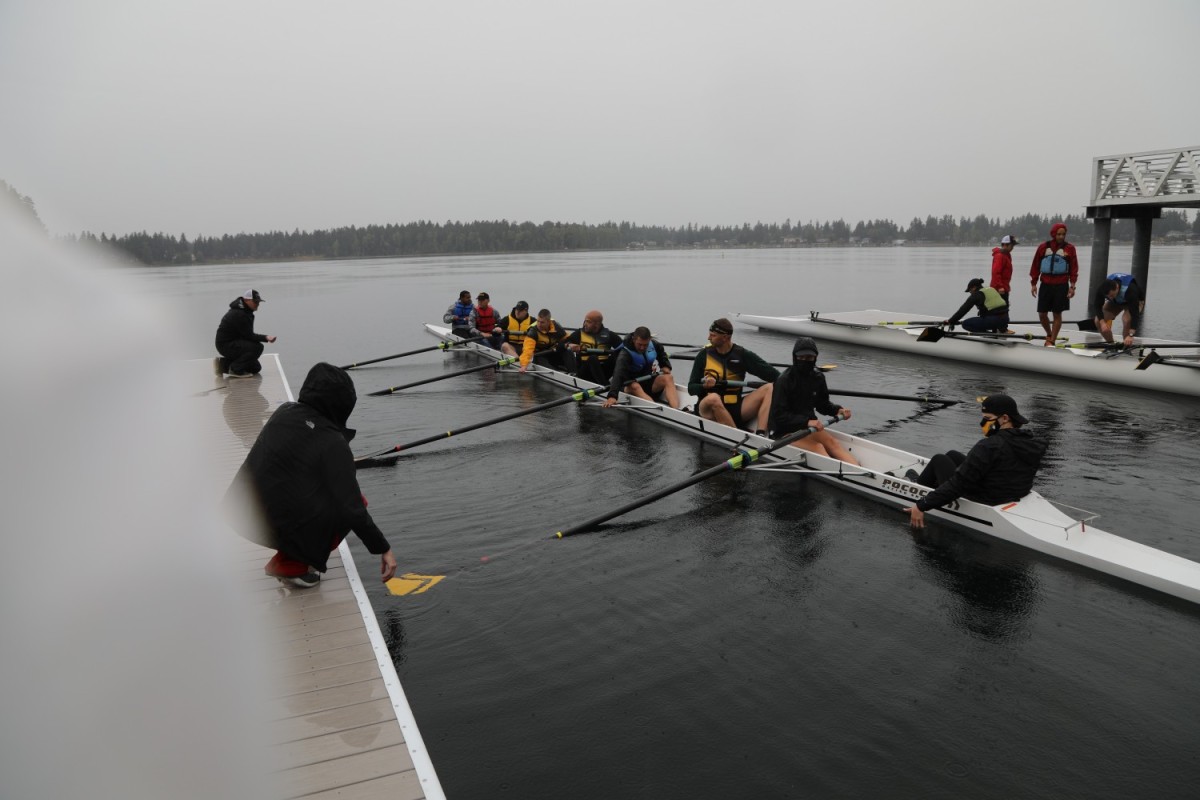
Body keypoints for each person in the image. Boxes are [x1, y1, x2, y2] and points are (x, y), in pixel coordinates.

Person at [223, 362, 398, 587]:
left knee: (306, 493)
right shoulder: (332, 442)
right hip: (273, 519)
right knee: (354, 503)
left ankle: (288, 555)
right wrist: (383, 549)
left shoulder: (284, 411)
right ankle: (292, 566)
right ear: (342, 404)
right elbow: (353, 508)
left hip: (243, 511)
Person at [906, 394, 1047, 529]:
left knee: (939, 459)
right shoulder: (1031, 442)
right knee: (953, 455)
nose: (982, 423)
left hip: (985, 498)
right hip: (1011, 493)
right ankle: (933, 485)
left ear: (1004, 418)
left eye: (987, 418)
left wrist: (922, 505)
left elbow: (958, 485)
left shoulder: (990, 445)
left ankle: (916, 489)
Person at [767, 337, 858, 464]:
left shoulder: (818, 377)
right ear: (795, 357)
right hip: (783, 431)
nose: (805, 361)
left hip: (807, 426)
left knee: (833, 443)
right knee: (818, 447)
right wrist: (807, 421)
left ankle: (859, 471)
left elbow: (823, 405)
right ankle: (842, 474)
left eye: (809, 358)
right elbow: (778, 416)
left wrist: (838, 410)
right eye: (801, 358)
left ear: (815, 358)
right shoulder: (784, 380)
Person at [687, 317, 779, 434]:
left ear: (725, 337)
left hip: (735, 407)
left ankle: (760, 433)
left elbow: (774, 375)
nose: (708, 338)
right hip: (708, 409)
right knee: (714, 398)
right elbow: (691, 388)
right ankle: (737, 437)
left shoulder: (742, 355)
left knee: (770, 387)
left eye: (713, 335)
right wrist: (704, 387)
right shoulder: (703, 355)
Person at [603, 326, 680, 409]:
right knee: (635, 386)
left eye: (645, 345)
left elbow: (661, 354)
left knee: (668, 378)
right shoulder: (625, 354)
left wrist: (665, 365)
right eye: (639, 344)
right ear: (634, 339)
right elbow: (618, 373)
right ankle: (658, 409)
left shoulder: (653, 344)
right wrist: (612, 396)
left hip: (647, 382)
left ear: (649, 340)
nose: (642, 348)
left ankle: (676, 410)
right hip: (628, 385)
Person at [1029, 222, 1079, 346]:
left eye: (1063, 234)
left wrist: (1072, 287)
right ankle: (1049, 334)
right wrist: (1033, 284)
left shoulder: (1070, 249)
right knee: (1042, 314)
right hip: (1045, 284)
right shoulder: (1043, 247)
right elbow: (1035, 266)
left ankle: (1052, 340)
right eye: (1059, 234)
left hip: (1061, 285)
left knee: (1057, 313)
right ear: (1053, 234)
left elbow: (1074, 269)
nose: (1061, 236)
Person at [214, 289, 276, 378]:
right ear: (247, 300)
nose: (258, 304)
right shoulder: (240, 314)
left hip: (232, 343)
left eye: (258, 302)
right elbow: (249, 336)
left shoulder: (245, 311)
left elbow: (247, 335)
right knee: (258, 347)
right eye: (255, 302)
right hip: (225, 345)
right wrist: (266, 337)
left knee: (255, 368)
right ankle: (235, 369)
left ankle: (223, 365)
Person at [564, 309, 623, 384]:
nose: (585, 324)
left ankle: (620, 382)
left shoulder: (609, 335)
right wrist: (569, 345)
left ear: (597, 324)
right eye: (585, 321)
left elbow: (624, 346)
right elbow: (561, 344)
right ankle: (605, 386)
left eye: (588, 322)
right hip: (585, 372)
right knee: (593, 358)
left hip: (604, 372)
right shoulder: (579, 334)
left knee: (618, 354)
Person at [1092, 273, 1143, 347]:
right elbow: (1097, 306)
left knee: (1126, 320)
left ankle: (1126, 346)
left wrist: (1131, 335)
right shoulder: (1102, 288)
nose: (1110, 298)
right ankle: (1111, 344)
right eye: (1108, 297)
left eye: (1112, 295)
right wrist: (1102, 323)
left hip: (1135, 302)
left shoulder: (1130, 290)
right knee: (1098, 320)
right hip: (1117, 302)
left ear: (1117, 287)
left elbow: (1135, 315)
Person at [945, 277, 1010, 333]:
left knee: (965, 324)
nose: (970, 293)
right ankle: (997, 331)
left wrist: (951, 321)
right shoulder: (991, 289)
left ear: (974, 288)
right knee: (990, 315)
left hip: (994, 320)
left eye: (970, 290)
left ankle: (989, 336)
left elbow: (963, 310)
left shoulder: (976, 295)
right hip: (1005, 319)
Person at [519, 308, 569, 372]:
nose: (539, 324)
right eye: (538, 321)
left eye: (542, 322)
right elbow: (527, 350)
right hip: (538, 355)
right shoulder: (533, 331)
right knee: (540, 359)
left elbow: (568, 338)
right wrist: (524, 366)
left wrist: (571, 344)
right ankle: (556, 372)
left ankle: (574, 373)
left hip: (552, 353)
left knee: (568, 351)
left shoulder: (556, 327)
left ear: (548, 322)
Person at [990, 234, 1019, 302]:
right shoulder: (1000, 256)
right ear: (1005, 245)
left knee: (1004, 310)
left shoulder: (1006, 255)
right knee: (1001, 311)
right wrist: (1000, 286)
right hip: (999, 290)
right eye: (1012, 245)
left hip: (1004, 288)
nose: (1013, 248)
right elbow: (996, 272)